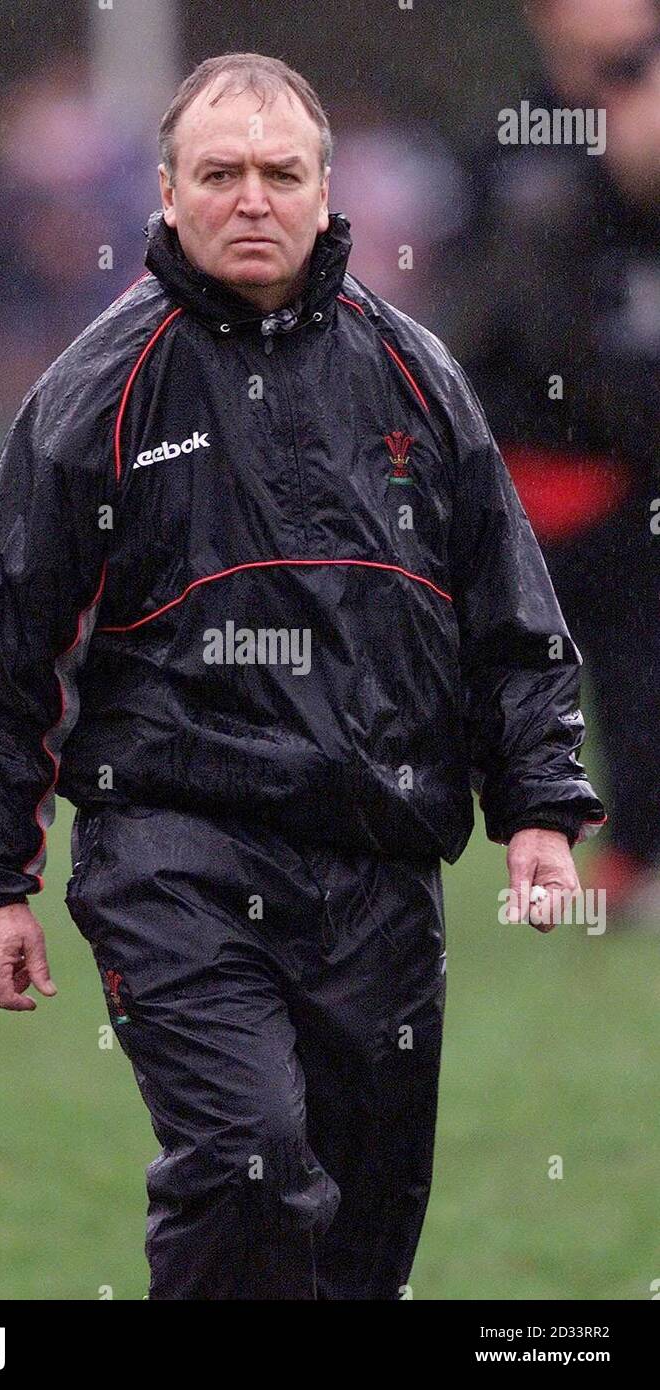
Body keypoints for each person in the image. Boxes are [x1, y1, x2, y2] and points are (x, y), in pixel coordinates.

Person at [0, 52, 606, 1301]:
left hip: (377, 869)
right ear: (169, 193)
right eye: (220, 173)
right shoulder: (95, 391)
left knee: (361, 1225)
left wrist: (542, 811)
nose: (253, 198)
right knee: (247, 1166)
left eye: (279, 173)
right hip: (172, 856)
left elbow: (509, 612)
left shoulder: (416, 374)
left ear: (325, 190)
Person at [436, 0, 660, 921]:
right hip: (556, 466)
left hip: (638, 454)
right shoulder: (514, 143)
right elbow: (495, 312)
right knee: (555, 673)